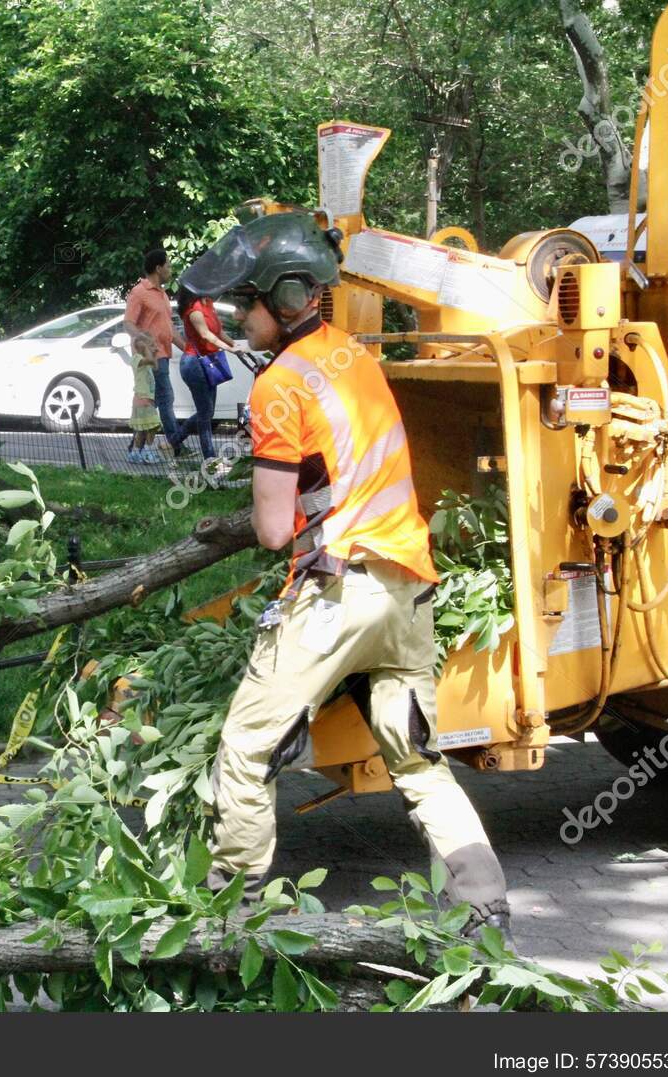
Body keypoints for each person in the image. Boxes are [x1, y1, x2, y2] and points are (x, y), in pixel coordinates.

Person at [179, 213, 511, 936]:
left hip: (335, 596)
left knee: (245, 749)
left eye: (247, 302)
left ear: (289, 296)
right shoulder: (353, 358)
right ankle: (484, 905)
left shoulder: (278, 388)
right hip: (408, 590)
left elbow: (272, 530)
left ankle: (223, 916)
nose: (237, 316)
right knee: (417, 760)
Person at [123, 247, 177, 464]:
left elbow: (169, 330)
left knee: (158, 404)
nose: (171, 269)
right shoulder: (139, 292)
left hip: (163, 355)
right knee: (163, 402)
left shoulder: (163, 294)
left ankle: (139, 449)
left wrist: (190, 347)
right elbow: (128, 323)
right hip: (149, 359)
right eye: (169, 265)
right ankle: (175, 444)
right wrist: (144, 341)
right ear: (158, 268)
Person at [175, 286, 240, 460]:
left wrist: (236, 345)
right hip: (194, 364)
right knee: (205, 413)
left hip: (209, 361)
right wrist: (229, 348)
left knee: (207, 412)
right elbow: (205, 334)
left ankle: (174, 439)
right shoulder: (194, 309)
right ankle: (209, 458)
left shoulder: (209, 304)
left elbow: (218, 331)